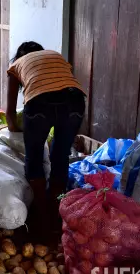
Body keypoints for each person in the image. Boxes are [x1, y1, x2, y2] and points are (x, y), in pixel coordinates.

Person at [5, 41, 86, 239]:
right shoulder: (55, 56)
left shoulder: (15, 67)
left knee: (33, 159)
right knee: (60, 157)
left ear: (19, 57)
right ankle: (56, 209)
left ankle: (42, 217)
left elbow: (9, 114)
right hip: (75, 102)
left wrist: (17, 130)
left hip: (40, 104)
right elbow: (65, 86)